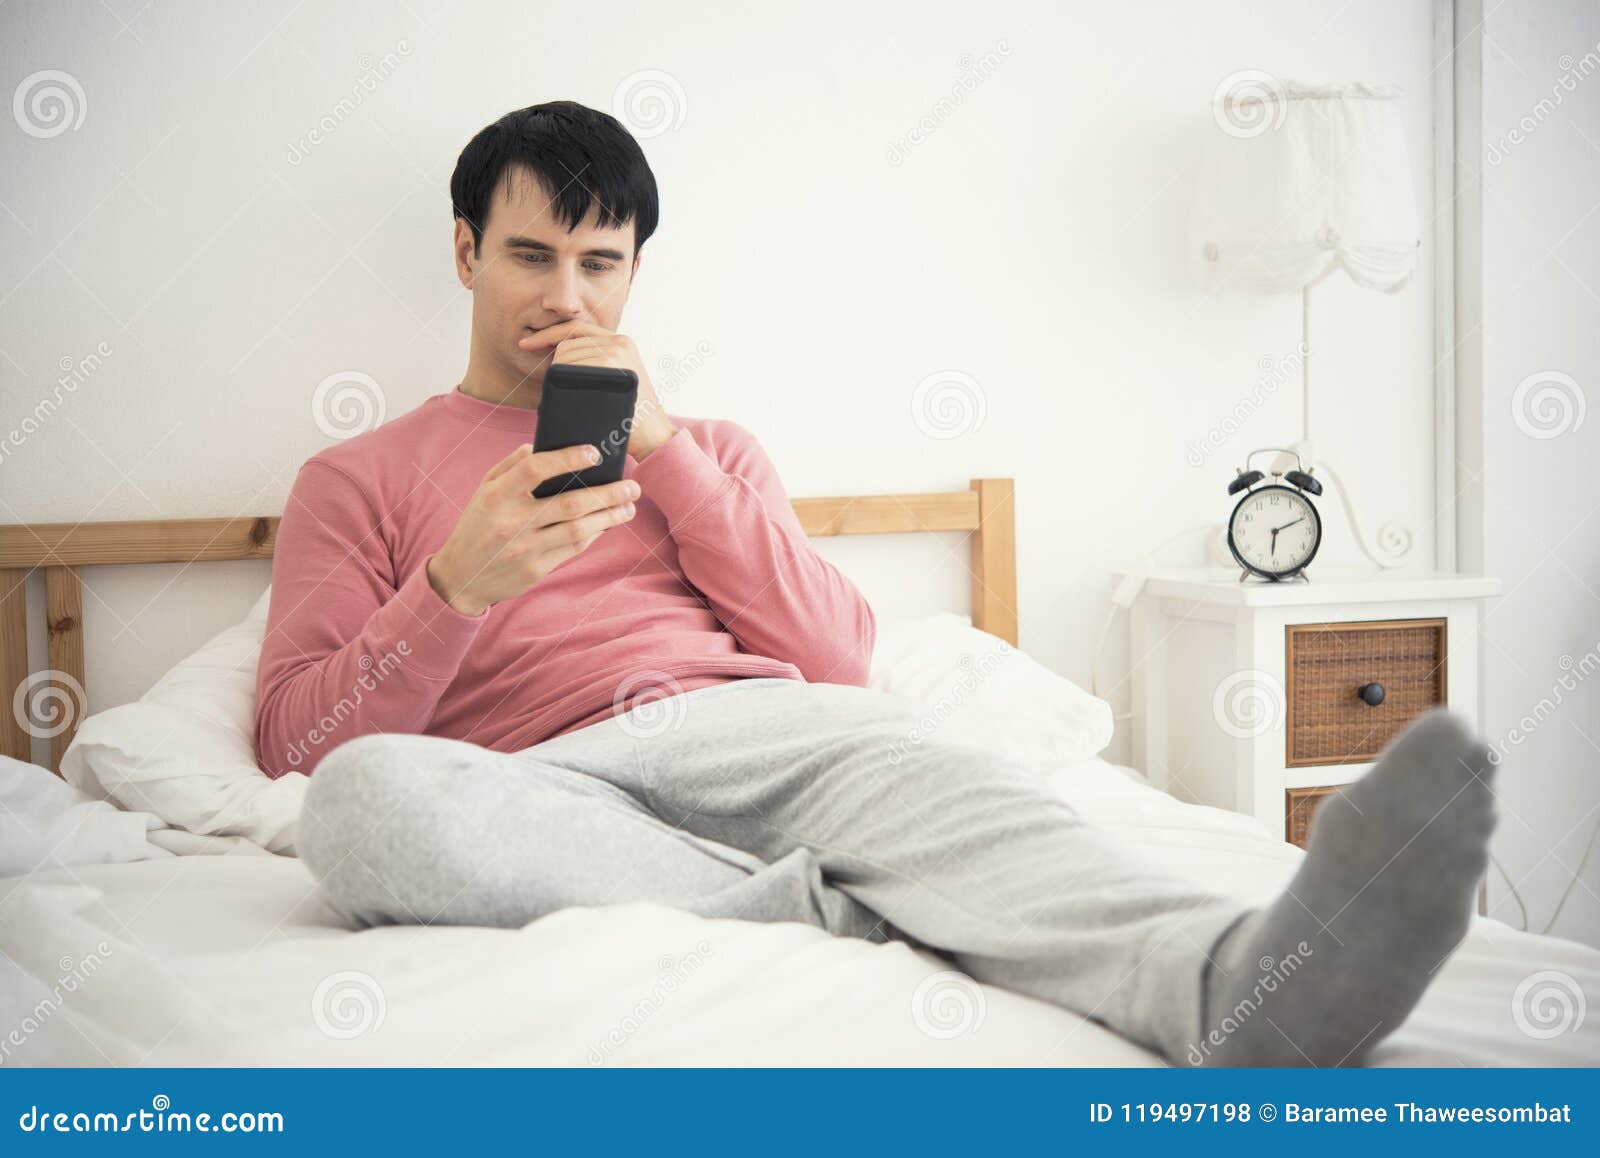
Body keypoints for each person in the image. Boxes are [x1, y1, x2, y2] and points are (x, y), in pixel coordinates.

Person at [255, 101, 1498, 1068]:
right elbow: (292, 743)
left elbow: (837, 657)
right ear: (466, 253)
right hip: (542, 786)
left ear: (635, 273)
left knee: (963, 792)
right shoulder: (354, 476)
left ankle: (1241, 986)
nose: (565, 297)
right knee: (361, 808)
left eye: (599, 261)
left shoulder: (710, 451)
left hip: (760, 731)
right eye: (529, 256)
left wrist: (670, 454)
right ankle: (835, 909)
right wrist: (452, 591)